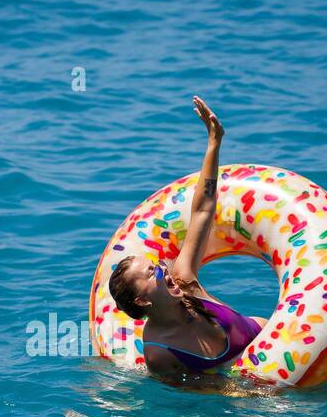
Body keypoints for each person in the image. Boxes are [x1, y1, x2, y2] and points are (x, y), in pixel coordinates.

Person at [107, 96, 263, 377]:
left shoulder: (185, 281)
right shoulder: (160, 352)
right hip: (255, 380)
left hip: (273, 338)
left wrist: (214, 142)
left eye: (158, 265)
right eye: (153, 271)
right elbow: (198, 396)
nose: (164, 269)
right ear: (142, 301)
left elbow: (203, 208)